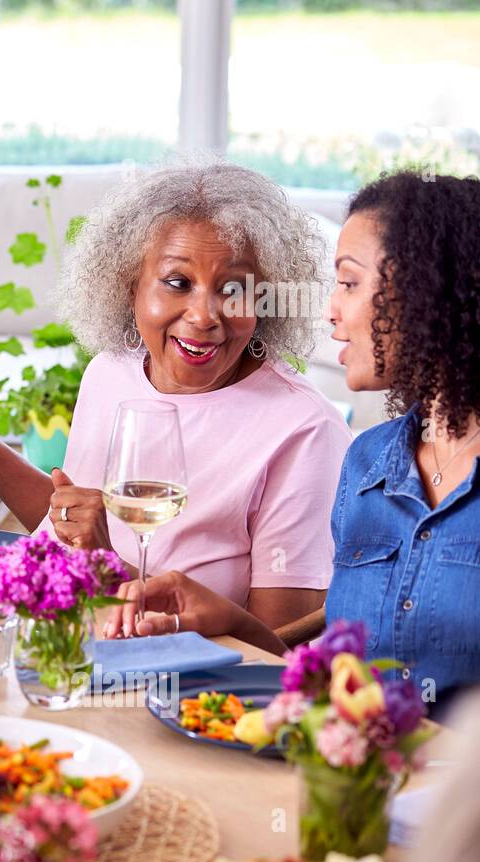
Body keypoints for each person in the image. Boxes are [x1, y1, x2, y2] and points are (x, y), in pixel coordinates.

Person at [0, 161, 351, 634]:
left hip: (167, 685)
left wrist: (105, 565)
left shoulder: (304, 430)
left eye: (234, 289)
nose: (203, 315)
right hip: (54, 638)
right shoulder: (111, 371)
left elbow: (275, 649)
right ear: (129, 284)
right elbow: (67, 523)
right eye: (177, 283)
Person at [110, 172, 480, 704]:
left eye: (349, 283)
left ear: (432, 293)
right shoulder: (369, 465)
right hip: (345, 771)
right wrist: (227, 621)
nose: (330, 308)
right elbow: (334, 675)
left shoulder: (315, 432)